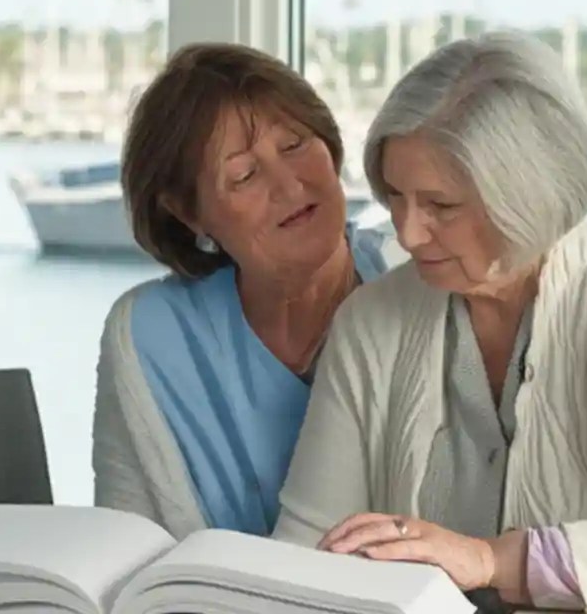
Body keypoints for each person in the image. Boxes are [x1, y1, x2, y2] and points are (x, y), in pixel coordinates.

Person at [273, 33, 587, 612]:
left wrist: (489, 560)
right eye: (395, 196)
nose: (408, 232)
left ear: (526, 196)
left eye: (441, 206)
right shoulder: (371, 321)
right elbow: (308, 541)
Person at [93, 43, 388, 539]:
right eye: (244, 175)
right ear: (189, 215)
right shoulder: (149, 335)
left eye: (294, 145)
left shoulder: (415, 286)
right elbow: (122, 548)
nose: (289, 185)